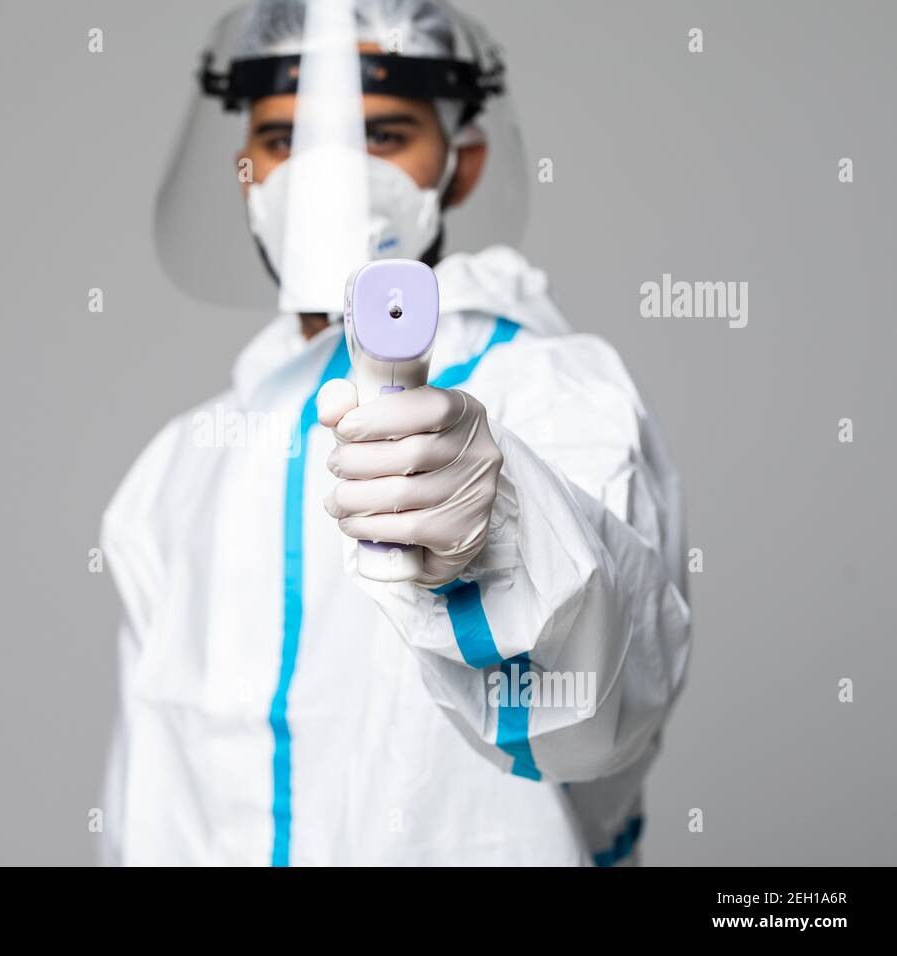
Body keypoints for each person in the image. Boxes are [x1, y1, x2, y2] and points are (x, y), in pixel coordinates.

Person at [101, 0, 691, 866]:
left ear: (461, 162)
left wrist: (502, 536)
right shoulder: (183, 464)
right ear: (245, 169)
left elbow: (603, 721)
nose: (325, 174)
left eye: (380, 136)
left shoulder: (554, 395)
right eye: (283, 139)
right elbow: (147, 796)